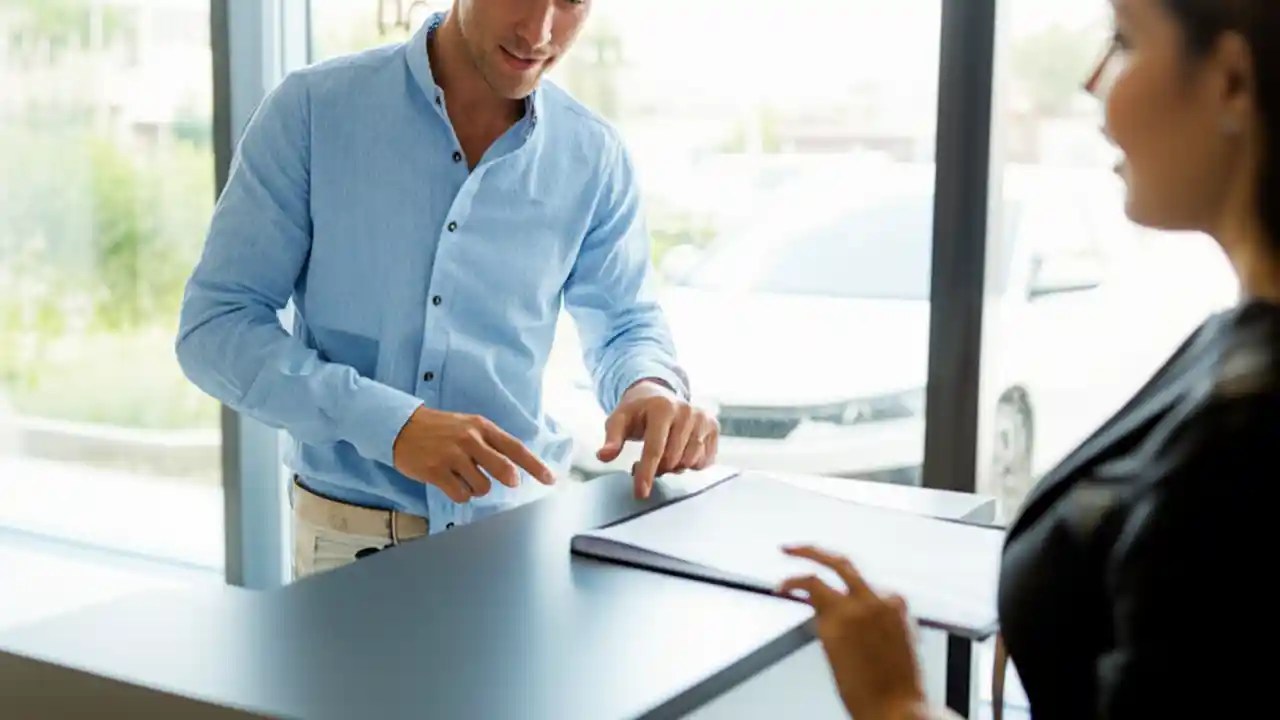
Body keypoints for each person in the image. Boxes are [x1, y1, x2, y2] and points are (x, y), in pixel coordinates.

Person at [780, 0, 1279, 718]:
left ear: (1231, 80)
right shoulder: (1233, 342)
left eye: (1125, 41)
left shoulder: (1249, 435)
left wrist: (894, 701)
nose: (1092, 81)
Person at [176, 1, 718, 579]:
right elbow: (216, 327)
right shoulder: (314, 112)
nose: (539, 32)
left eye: (571, 1)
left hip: (518, 540)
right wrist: (390, 424)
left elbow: (625, 323)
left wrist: (648, 384)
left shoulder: (594, 156)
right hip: (352, 545)